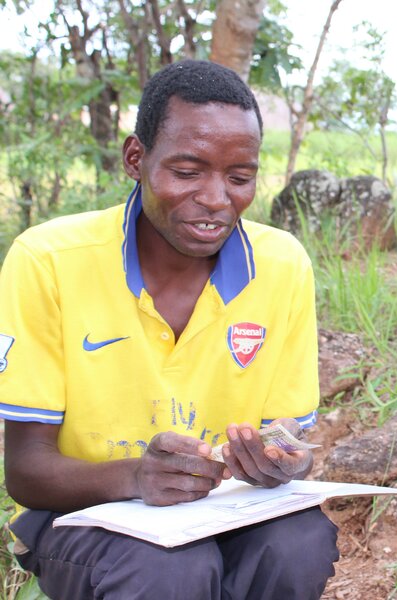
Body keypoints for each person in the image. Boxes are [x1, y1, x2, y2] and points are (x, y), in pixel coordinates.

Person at [0, 60, 339, 599]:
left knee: (298, 544)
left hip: (225, 512)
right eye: (186, 172)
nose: (214, 199)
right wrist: (135, 477)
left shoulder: (282, 265)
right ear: (136, 158)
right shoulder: (49, 260)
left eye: (240, 177)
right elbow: (25, 470)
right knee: (172, 571)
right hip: (85, 514)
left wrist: (283, 461)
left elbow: (290, 440)